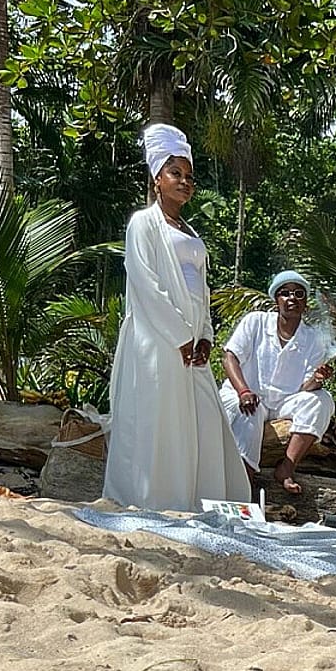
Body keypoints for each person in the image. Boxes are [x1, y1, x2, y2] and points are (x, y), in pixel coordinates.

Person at [102, 124, 251, 512]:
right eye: (176, 174)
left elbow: (201, 289)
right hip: (157, 342)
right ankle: (156, 500)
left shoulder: (191, 231)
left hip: (191, 348)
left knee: (202, 417)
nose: (185, 182)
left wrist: (203, 336)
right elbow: (146, 284)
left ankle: (202, 500)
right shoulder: (142, 224)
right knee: (160, 421)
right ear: (157, 180)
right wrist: (179, 337)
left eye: (189, 176)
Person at [219, 271, 335, 494]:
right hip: (244, 394)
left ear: (305, 303)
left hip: (284, 403)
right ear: (276, 300)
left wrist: (316, 380)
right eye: (285, 293)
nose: (292, 298)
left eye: (298, 294)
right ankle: (246, 480)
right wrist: (243, 391)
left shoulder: (313, 339)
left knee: (323, 399)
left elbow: (305, 389)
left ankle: (287, 467)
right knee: (250, 410)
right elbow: (229, 357)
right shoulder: (255, 322)